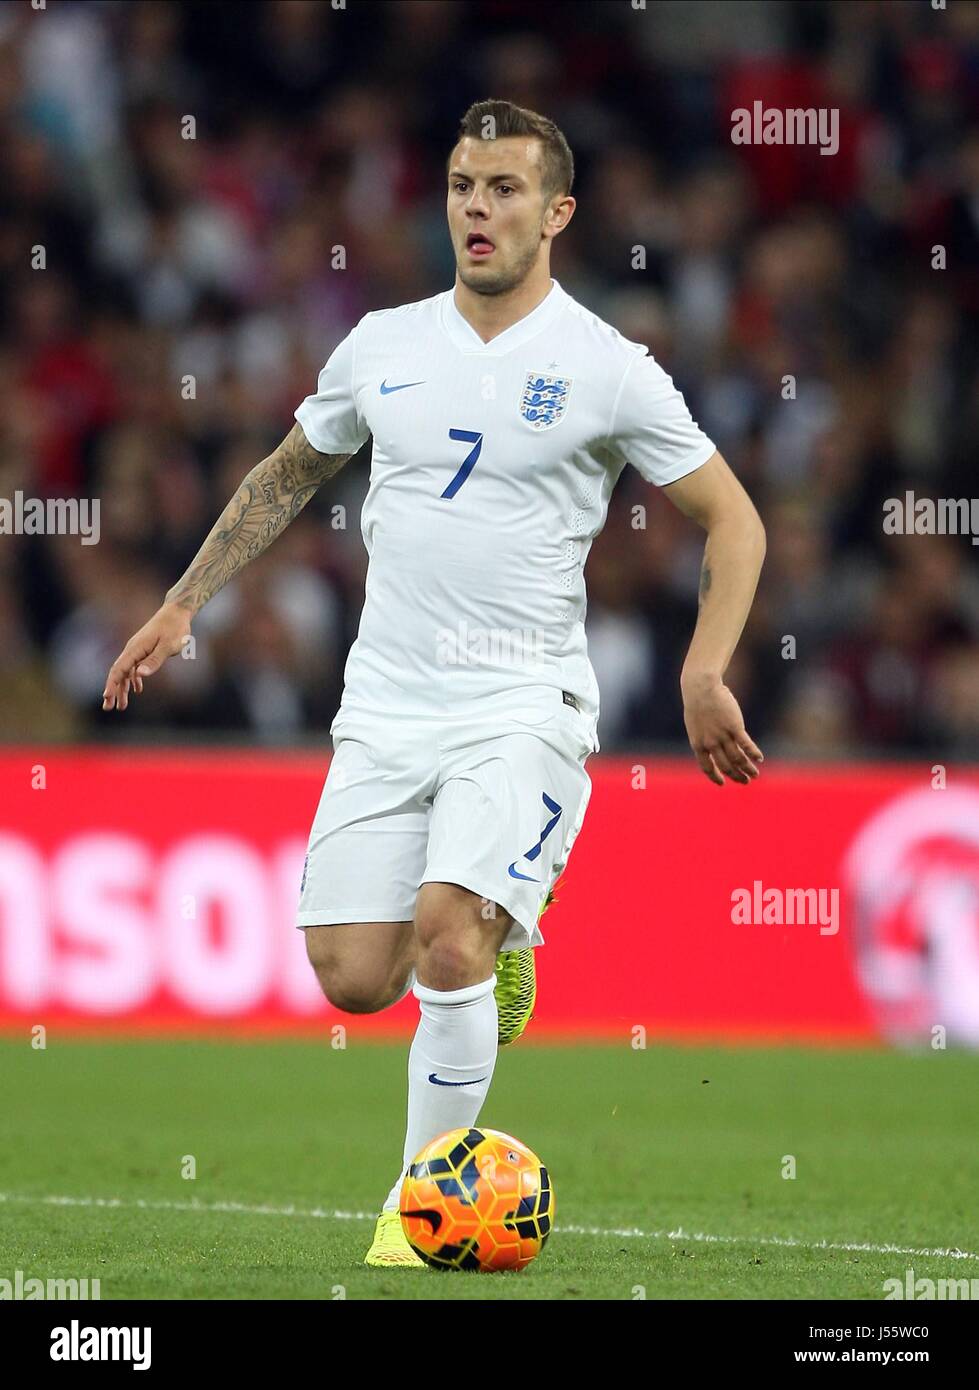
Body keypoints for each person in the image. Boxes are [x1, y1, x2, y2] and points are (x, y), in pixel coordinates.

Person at [102, 99, 766, 1268]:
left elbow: (736, 522)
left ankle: (416, 1217)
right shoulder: (383, 343)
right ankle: (512, 953)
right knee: (356, 975)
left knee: (444, 934)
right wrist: (183, 600)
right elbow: (288, 471)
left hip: (523, 705)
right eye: (463, 183)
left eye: (505, 188)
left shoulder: (609, 369)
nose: (477, 206)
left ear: (555, 212)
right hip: (387, 708)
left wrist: (704, 665)